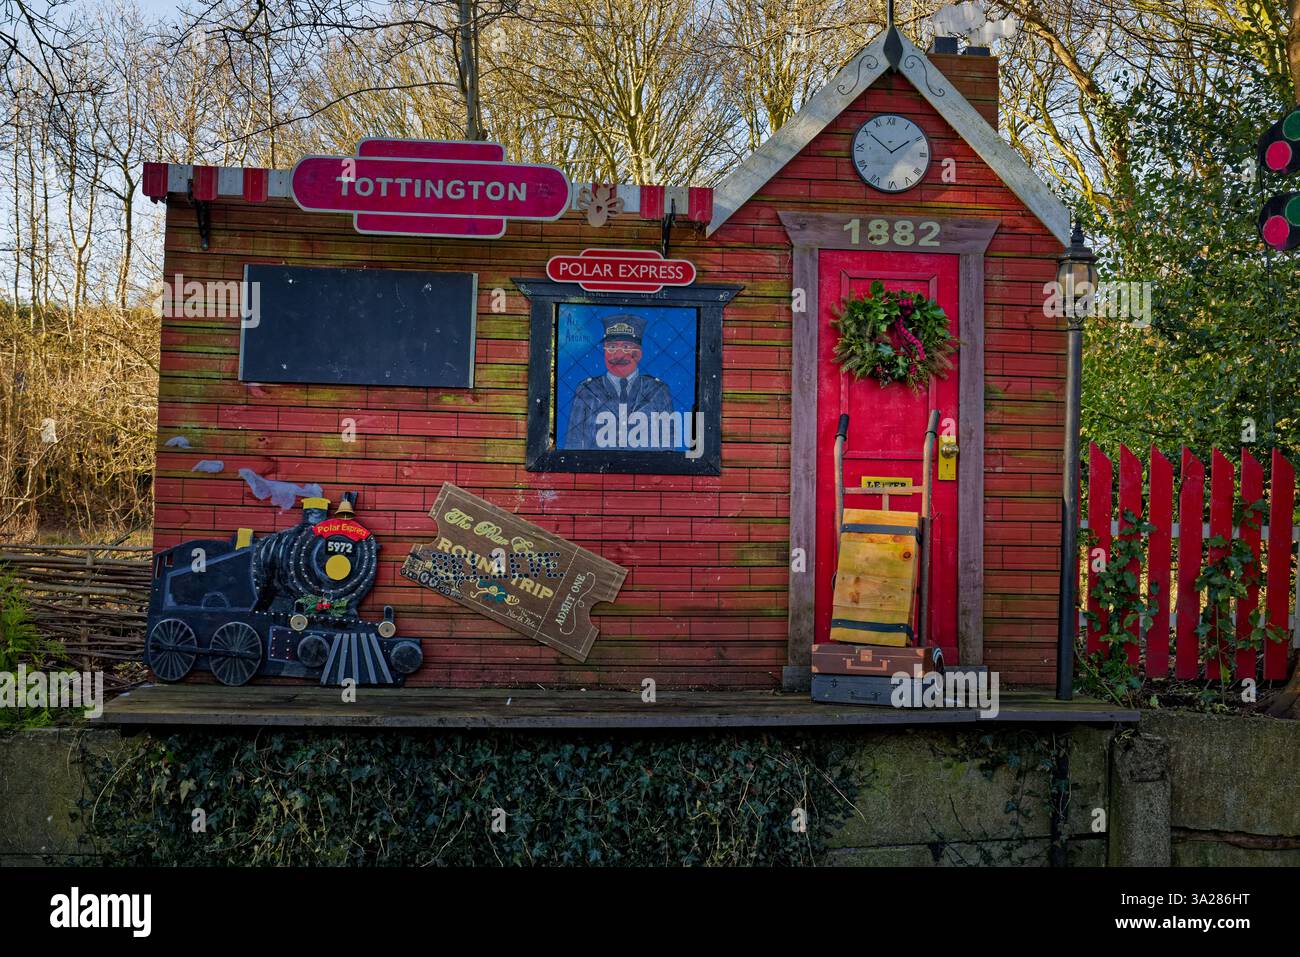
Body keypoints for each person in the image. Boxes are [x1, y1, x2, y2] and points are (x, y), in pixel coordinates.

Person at [564, 313, 674, 450]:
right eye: (611, 347)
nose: (619, 355)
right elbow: (573, 446)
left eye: (627, 347)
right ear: (604, 352)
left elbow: (668, 448)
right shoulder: (587, 390)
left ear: (639, 353)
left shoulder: (657, 391)